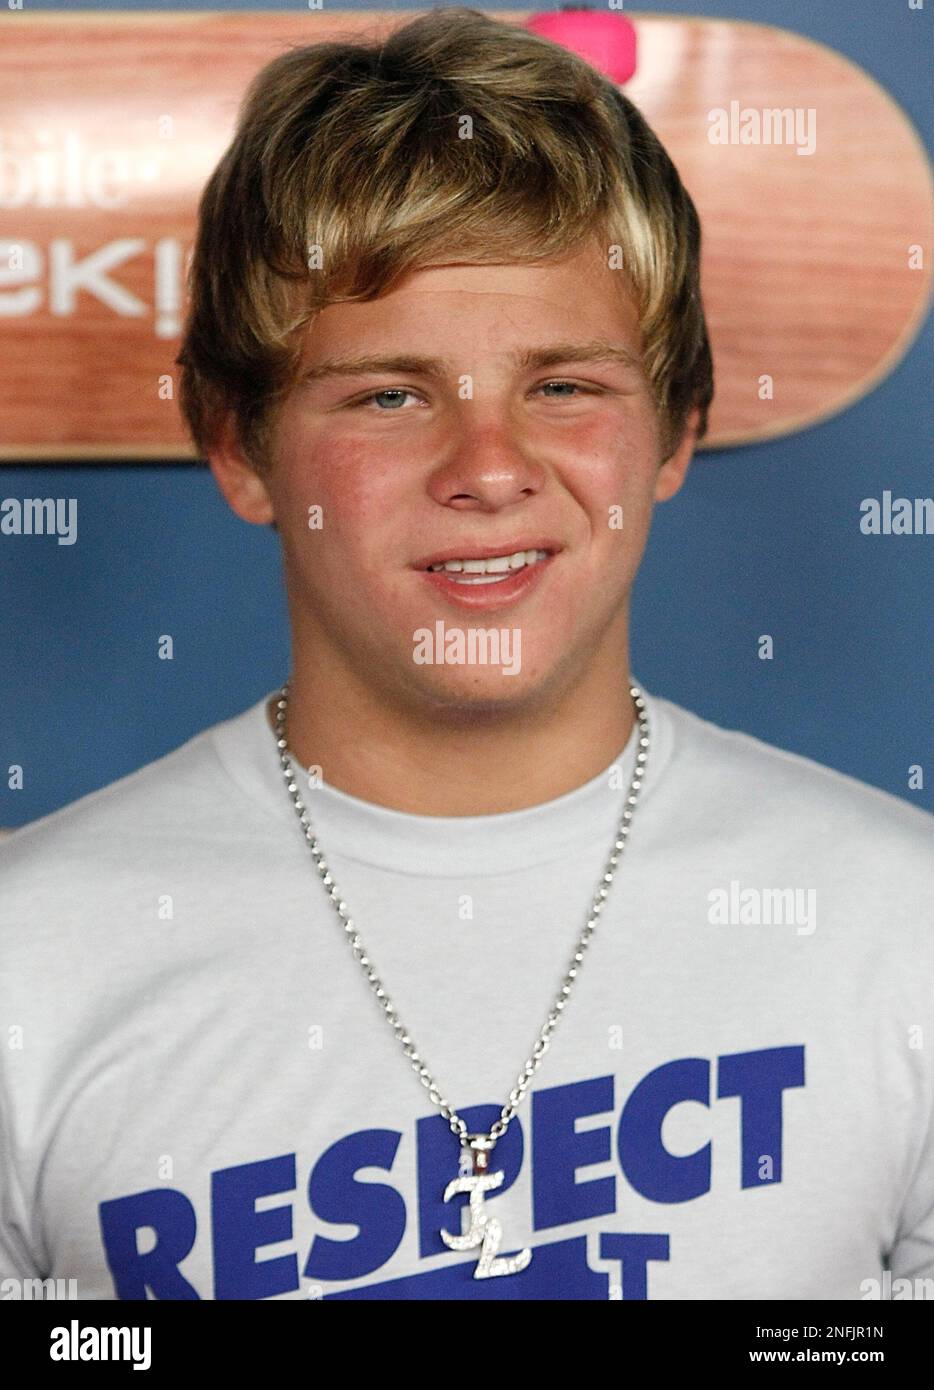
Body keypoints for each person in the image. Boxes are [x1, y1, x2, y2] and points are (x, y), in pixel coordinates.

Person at [1, 7, 932, 1302]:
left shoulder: (903, 930)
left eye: (564, 385)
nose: (488, 470)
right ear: (236, 442)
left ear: (670, 430)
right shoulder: (27, 956)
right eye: (389, 392)